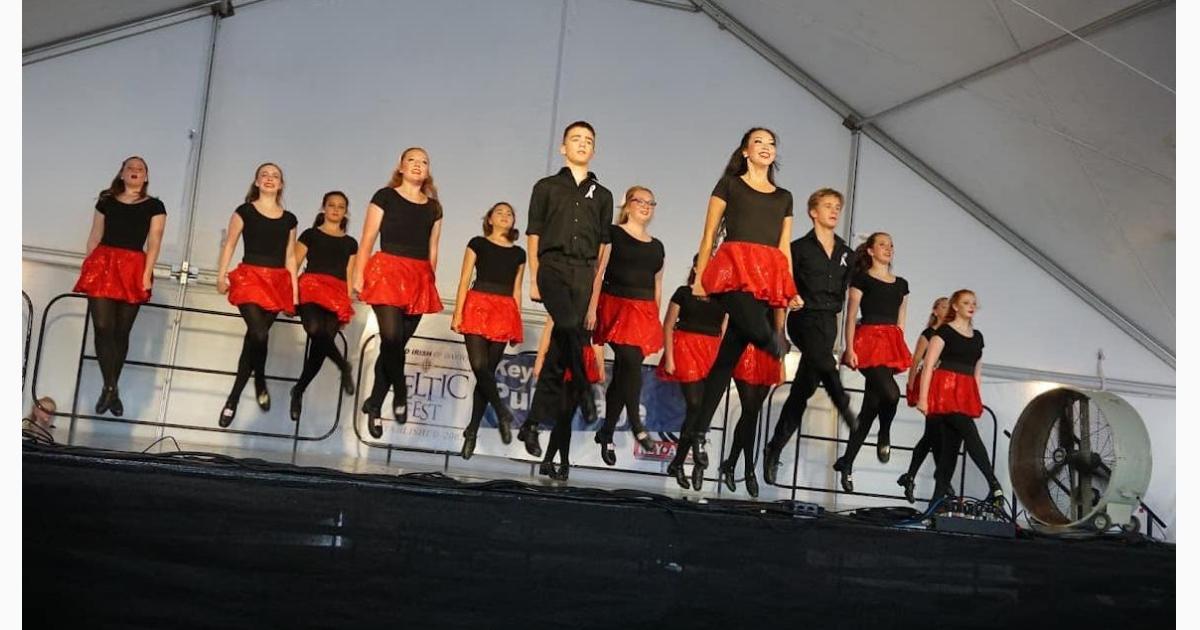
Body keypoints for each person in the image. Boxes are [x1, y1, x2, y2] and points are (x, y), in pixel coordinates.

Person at [683, 127, 798, 486]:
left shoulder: (784, 197)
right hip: (733, 269)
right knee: (750, 323)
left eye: (771, 144)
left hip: (766, 275)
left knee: (725, 361)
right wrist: (701, 277)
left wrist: (788, 288)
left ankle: (696, 435)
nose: (766, 148)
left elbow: (784, 247)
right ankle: (771, 341)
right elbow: (708, 235)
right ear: (746, 152)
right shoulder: (729, 186)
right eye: (758, 143)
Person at [517, 121, 613, 456]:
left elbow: (604, 247)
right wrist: (533, 276)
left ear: (594, 150)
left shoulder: (602, 195)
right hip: (553, 267)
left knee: (559, 355)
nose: (582, 144)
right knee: (570, 327)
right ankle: (586, 391)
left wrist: (594, 292)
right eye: (576, 139)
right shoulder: (546, 187)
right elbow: (533, 233)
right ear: (563, 147)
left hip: (584, 272)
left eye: (589, 140)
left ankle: (531, 425)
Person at [762, 187, 858, 486]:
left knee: (801, 392)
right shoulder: (798, 248)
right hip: (804, 317)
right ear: (813, 211)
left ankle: (774, 447)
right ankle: (844, 405)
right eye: (827, 205)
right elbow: (783, 280)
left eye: (837, 207)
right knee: (823, 362)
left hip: (828, 321)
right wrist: (790, 296)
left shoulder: (846, 253)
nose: (833, 211)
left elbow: (851, 295)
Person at [354, 147, 444, 438]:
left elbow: (433, 250)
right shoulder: (385, 196)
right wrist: (358, 274)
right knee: (391, 338)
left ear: (428, 170)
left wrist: (429, 282)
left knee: (395, 346)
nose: (418, 166)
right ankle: (401, 392)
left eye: (424, 162)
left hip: (419, 277)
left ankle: (375, 403)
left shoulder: (434, 207)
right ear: (401, 167)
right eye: (412, 161)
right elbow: (367, 239)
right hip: (387, 271)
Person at [73, 156, 166, 417]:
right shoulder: (106, 201)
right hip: (103, 263)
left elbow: (155, 242)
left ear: (146, 177)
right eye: (130, 168)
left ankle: (109, 388)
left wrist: (147, 273)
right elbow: (94, 236)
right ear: (122, 174)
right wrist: (88, 267)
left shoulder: (155, 205)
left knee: (121, 332)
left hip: (133, 266)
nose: (135, 171)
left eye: (140, 169)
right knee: (103, 326)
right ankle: (111, 386)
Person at [215, 162, 298, 427]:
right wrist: (221, 274)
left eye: (275, 176)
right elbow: (230, 243)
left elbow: (290, 257)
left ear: (281, 184)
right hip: (250, 277)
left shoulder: (289, 219)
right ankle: (260, 379)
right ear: (256, 181)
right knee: (259, 334)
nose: (270, 179)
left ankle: (233, 399)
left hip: (276, 282)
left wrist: (294, 293)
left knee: (253, 340)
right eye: (265, 175)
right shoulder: (244, 211)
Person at [832, 232, 912, 493]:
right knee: (892, 393)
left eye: (891, 245)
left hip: (890, 343)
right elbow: (851, 314)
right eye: (882, 244)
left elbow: (901, 320)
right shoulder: (862, 278)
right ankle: (885, 432)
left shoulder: (901, 283)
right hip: (868, 341)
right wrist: (849, 347)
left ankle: (847, 464)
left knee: (869, 410)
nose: (888, 249)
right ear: (870, 250)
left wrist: (898, 344)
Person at [592, 186, 665, 464]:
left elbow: (657, 284)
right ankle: (636, 425)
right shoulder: (613, 233)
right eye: (640, 201)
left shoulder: (657, 246)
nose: (646, 206)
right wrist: (591, 308)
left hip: (643, 312)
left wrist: (654, 320)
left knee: (625, 371)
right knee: (630, 360)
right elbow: (598, 272)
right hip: (615, 305)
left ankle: (607, 432)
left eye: (651, 202)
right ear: (628, 205)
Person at [451, 202, 526, 459]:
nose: (505, 216)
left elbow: (517, 291)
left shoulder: (519, 253)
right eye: (500, 212)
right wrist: (457, 312)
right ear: (490, 219)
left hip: (504, 311)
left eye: (510, 214)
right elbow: (463, 280)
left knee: (487, 376)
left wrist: (517, 322)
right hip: (478, 305)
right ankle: (501, 411)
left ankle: (472, 431)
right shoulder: (477, 243)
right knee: (480, 367)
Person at [917, 289, 1004, 505]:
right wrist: (923, 398)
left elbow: (977, 370)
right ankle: (994, 484)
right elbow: (928, 365)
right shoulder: (944, 332)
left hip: (965, 391)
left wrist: (976, 395)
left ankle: (935, 504)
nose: (972, 306)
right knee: (970, 433)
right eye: (966, 302)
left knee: (950, 452)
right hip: (945, 390)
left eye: (974, 303)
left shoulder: (978, 337)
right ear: (956, 306)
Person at [289, 191, 359, 423]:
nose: (336, 210)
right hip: (311, 287)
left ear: (345, 212)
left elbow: (350, 275)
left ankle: (298, 390)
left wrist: (347, 303)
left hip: (336, 293)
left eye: (340, 206)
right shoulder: (310, 234)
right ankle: (343, 365)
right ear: (324, 208)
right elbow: (294, 263)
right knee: (315, 330)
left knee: (320, 348)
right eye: (331, 205)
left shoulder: (350, 243)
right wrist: (290, 293)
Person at [660, 258, 727, 490]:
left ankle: (681, 463)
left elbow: (725, 329)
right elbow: (668, 324)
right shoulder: (683, 292)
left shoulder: (722, 296)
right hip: (686, 347)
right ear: (696, 268)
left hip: (712, 351)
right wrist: (669, 357)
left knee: (700, 411)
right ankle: (690, 458)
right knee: (696, 404)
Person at [716, 312, 785, 497]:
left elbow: (780, 328)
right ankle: (748, 470)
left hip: (767, 352)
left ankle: (730, 464)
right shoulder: (744, 288)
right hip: (744, 348)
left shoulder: (777, 291)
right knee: (750, 410)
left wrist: (782, 362)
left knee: (751, 413)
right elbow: (729, 319)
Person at [530, 318, 605, 481]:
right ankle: (561, 463)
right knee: (564, 414)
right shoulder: (564, 299)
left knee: (566, 416)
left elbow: (597, 338)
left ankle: (550, 462)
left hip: (583, 359)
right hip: (563, 357)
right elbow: (549, 329)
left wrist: (600, 365)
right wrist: (540, 359)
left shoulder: (593, 306)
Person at [897, 296, 948, 503]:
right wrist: (910, 386)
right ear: (935, 311)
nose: (947, 310)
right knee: (933, 433)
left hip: (942, 388)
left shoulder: (948, 335)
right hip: (929, 386)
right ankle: (941, 479)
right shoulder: (928, 334)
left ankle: (911, 476)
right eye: (943, 307)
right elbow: (916, 359)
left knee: (933, 435)